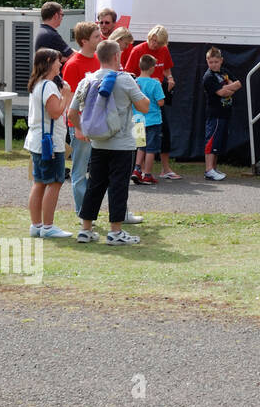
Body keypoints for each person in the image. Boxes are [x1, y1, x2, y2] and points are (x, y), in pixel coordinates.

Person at [69, 41, 150, 246]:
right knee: (118, 187)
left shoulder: (87, 80)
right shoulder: (125, 80)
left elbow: (71, 112)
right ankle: (115, 232)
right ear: (116, 56)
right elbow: (144, 107)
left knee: (94, 186)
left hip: (98, 143)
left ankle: (85, 230)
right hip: (122, 144)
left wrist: (80, 130)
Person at [25, 48, 72, 239]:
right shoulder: (48, 86)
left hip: (38, 140)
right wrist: (66, 95)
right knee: (54, 182)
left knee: (40, 182)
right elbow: (55, 112)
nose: (60, 64)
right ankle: (48, 226)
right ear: (48, 62)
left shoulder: (38, 84)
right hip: (49, 142)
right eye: (57, 61)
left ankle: (37, 225)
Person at [124, 26, 179, 179]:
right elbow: (128, 74)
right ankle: (143, 171)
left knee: (155, 136)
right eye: (153, 40)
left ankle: (161, 169)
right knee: (147, 143)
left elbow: (167, 69)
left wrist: (170, 78)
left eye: (158, 42)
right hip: (143, 102)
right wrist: (142, 84)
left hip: (149, 104)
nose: (154, 44)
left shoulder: (164, 51)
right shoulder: (137, 50)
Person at [62, 21, 101, 221]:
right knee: (79, 172)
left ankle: (90, 213)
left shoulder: (97, 59)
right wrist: (76, 128)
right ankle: (83, 215)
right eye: (96, 36)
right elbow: (69, 102)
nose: (100, 38)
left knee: (97, 173)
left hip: (97, 126)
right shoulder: (73, 65)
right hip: (81, 127)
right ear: (84, 41)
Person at [202, 47, 241, 181]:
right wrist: (228, 88)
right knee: (211, 142)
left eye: (216, 62)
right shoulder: (208, 77)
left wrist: (226, 88)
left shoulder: (224, 72)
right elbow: (222, 93)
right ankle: (208, 170)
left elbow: (238, 84)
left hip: (225, 113)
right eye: (211, 62)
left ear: (221, 61)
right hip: (215, 114)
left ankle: (214, 168)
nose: (213, 64)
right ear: (207, 61)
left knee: (218, 143)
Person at [131, 54, 166, 186]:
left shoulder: (134, 83)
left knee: (140, 146)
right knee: (151, 148)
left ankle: (137, 169)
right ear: (152, 68)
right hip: (153, 121)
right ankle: (147, 174)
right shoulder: (155, 83)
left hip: (138, 119)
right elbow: (161, 102)